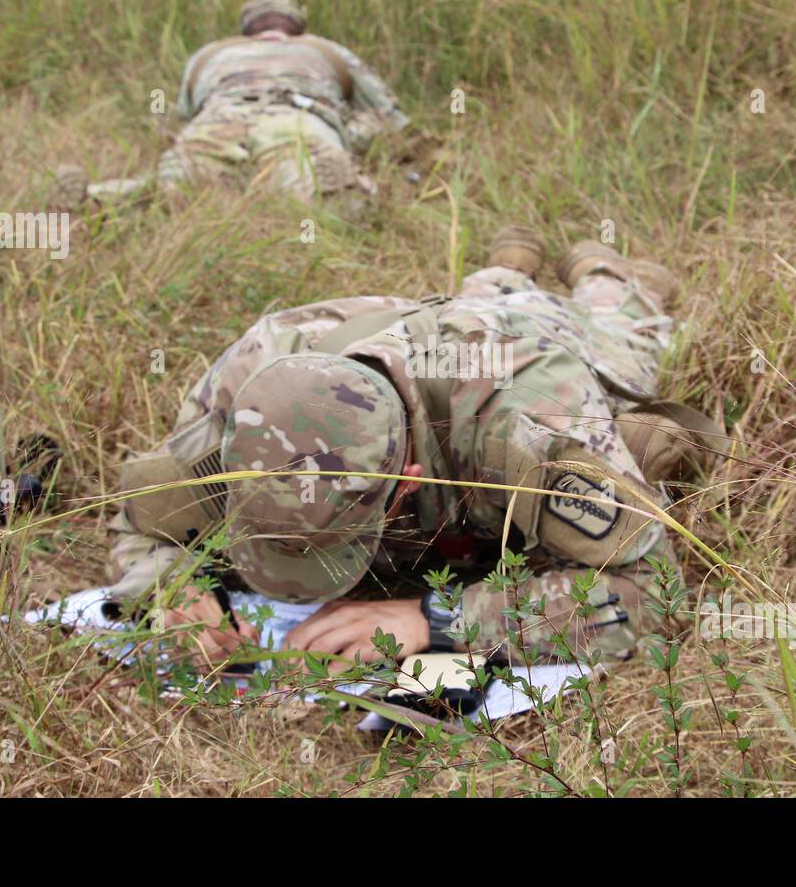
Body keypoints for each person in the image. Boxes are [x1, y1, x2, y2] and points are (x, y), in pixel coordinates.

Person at [108, 228, 728, 665]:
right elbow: (140, 520)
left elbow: (655, 596)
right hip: (428, 330)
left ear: (404, 479)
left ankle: (606, 273)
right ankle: (507, 267)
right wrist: (170, 590)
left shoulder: (529, 423)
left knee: (623, 340)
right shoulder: (244, 401)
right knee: (483, 298)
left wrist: (436, 620)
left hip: (538, 343)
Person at [56, 0, 410, 205]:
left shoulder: (210, 54)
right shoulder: (325, 49)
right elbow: (388, 114)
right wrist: (361, 133)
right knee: (302, 189)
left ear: (247, 28)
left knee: (176, 186)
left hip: (220, 119)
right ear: (298, 25)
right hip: (300, 117)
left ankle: (102, 196)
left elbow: (184, 114)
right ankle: (336, 195)